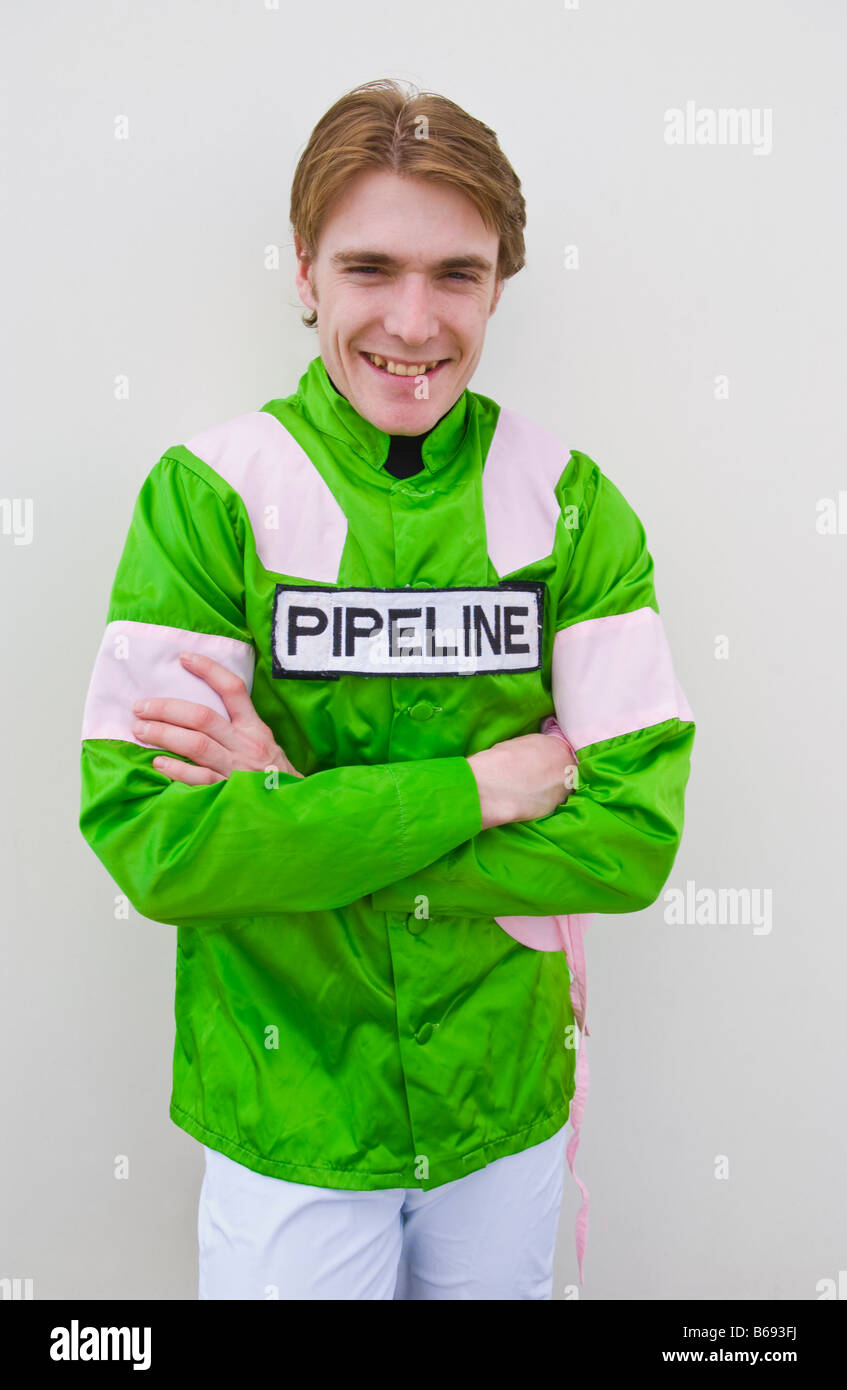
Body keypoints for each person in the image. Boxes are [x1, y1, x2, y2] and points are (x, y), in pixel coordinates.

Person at [79, 78, 696, 1300]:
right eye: (370, 268)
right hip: (288, 1114)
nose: (413, 323)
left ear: (500, 282)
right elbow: (156, 843)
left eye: (455, 274)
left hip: (502, 1109)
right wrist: (482, 786)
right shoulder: (205, 499)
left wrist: (298, 806)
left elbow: (628, 842)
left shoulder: (574, 508)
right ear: (304, 269)